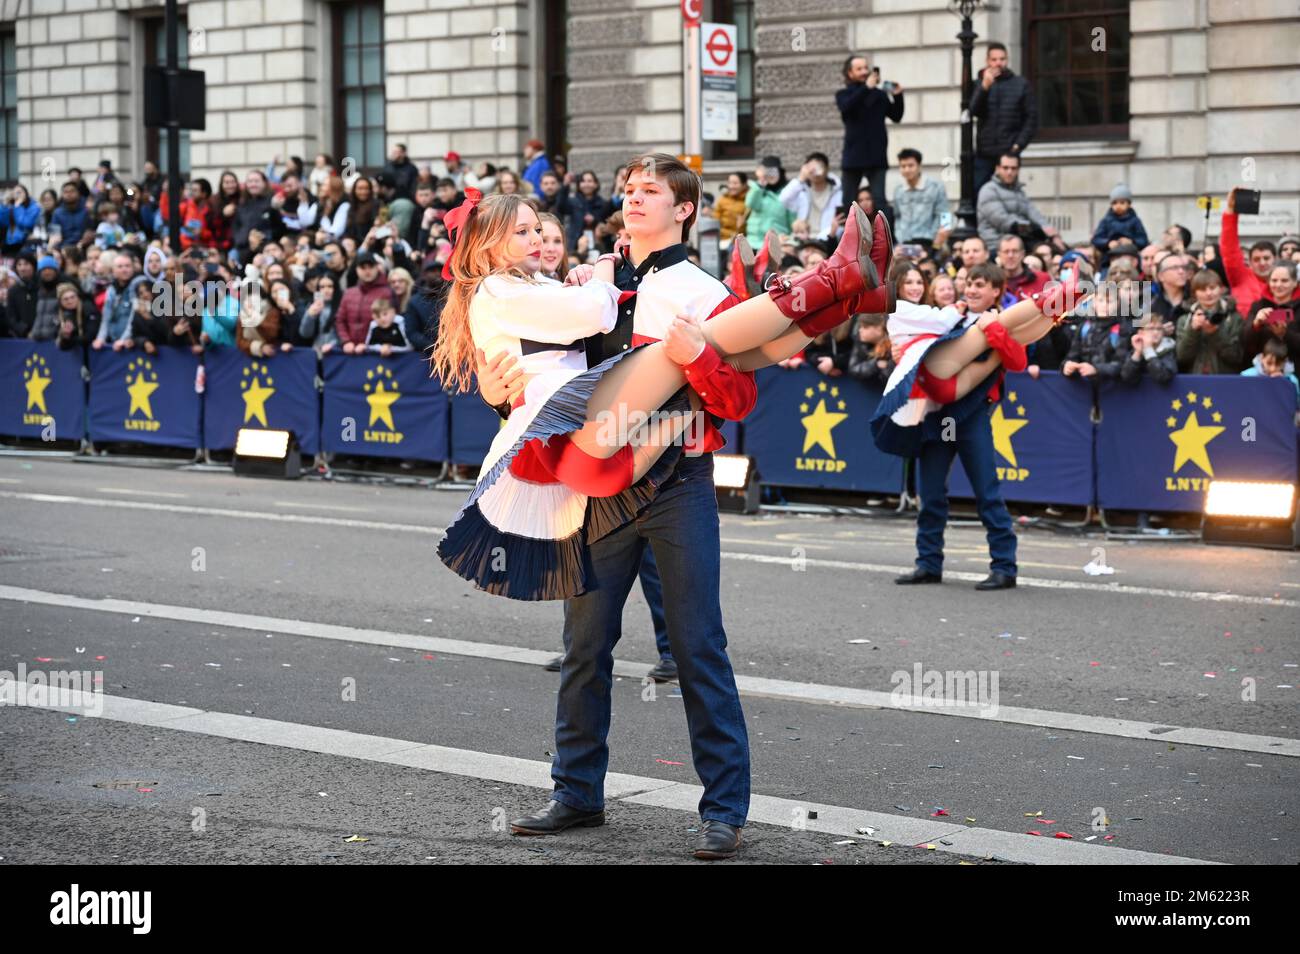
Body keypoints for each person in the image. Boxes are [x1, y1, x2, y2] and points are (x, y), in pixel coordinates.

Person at [439, 162, 892, 859]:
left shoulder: (699, 289)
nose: (631, 196)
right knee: (584, 650)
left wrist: (699, 359)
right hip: (594, 491)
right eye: (627, 187)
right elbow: (531, 378)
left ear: (686, 210)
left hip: (677, 480)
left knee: (698, 646)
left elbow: (739, 398)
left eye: (649, 190)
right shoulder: (585, 279)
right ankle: (576, 792)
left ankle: (724, 811)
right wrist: (496, 390)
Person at [837, 54, 905, 212]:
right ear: (850, 73)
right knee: (848, 202)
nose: (864, 71)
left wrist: (898, 96)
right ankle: (850, 236)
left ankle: (884, 236)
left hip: (876, 155)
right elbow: (846, 107)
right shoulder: (843, 94)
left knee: (880, 202)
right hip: (853, 156)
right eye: (859, 68)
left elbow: (896, 116)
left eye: (865, 68)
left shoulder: (879, 95)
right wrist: (866, 88)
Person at [968, 41, 1037, 194]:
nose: (998, 63)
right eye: (994, 59)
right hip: (984, 153)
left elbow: (1031, 119)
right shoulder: (979, 84)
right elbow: (972, 112)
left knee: (1009, 195)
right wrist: (984, 88)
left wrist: (1017, 146)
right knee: (978, 193)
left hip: (1009, 152)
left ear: (1007, 60)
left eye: (1002, 59)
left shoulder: (1020, 84)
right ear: (987, 61)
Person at [977, 153, 1059, 250]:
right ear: (997, 169)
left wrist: (1051, 233)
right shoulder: (988, 190)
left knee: (1055, 249)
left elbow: (1033, 213)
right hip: (997, 244)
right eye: (1005, 168)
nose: (1009, 172)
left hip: (1020, 241)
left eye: (1013, 168)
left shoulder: (1019, 192)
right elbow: (1004, 222)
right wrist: (1036, 229)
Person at [1175, 269, 1244, 374]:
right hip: (1194, 381)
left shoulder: (1234, 318)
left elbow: (1236, 357)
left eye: (1212, 288)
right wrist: (1193, 330)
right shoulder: (1185, 320)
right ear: (1195, 293)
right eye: (1202, 289)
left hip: (1225, 381)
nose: (1208, 293)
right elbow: (1181, 358)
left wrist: (1215, 333)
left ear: (1221, 289)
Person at [892, 148, 950, 252]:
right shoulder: (898, 190)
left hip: (929, 243)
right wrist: (899, 236)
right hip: (904, 243)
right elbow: (897, 216)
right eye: (903, 166)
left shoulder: (936, 187)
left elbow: (945, 215)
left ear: (919, 166)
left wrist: (938, 242)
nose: (907, 170)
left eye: (910, 165)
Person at [1243, 262, 1300, 361]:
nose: (1278, 285)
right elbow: (1244, 342)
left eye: (1284, 281)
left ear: (1295, 282)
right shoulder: (1258, 306)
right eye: (1274, 280)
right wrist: (1256, 325)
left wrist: (1284, 334)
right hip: (1261, 370)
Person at [779, 152, 841, 240]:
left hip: (828, 239)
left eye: (819, 167)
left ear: (827, 169)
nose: (815, 171)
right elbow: (783, 199)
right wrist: (801, 178)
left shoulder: (837, 192)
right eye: (811, 168)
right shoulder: (802, 191)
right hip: (804, 238)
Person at [1091, 184, 1150, 265]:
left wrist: (1132, 242)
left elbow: (1143, 241)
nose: (1118, 206)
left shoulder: (1135, 221)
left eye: (1122, 202)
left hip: (1131, 259)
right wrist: (1108, 243)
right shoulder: (1105, 221)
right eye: (1114, 203)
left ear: (1129, 204)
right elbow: (1096, 239)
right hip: (1108, 260)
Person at [744, 158, 793, 246]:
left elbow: (793, 220)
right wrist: (760, 184)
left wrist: (789, 240)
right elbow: (751, 204)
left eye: (773, 171)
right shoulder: (758, 190)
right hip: (754, 242)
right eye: (767, 171)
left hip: (778, 242)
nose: (770, 175)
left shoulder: (787, 192)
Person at [714, 172, 748, 245]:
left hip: (742, 241)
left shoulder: (748, 201)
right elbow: (715, 222)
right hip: (722, 241)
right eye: (730, 183)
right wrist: (729, 234)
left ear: (744, 185)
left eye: (735, 183)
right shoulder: (722, 200)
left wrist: (740, 228)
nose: (731, 186)